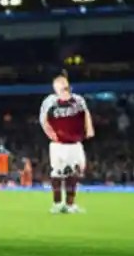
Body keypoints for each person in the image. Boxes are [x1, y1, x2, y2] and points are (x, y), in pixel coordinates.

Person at [40, 73, 94, 214]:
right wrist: (50, 134)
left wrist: (89, 129)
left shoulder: (77, 100)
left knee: (75, 173)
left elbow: (86, 113)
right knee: (57, 173)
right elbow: (43, 119)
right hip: (59, 145)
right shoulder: (50, 102)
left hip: (75, 143)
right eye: (58, 87)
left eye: (63, 86)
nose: (62, 89)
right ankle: (57, 204)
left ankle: (70, 204)